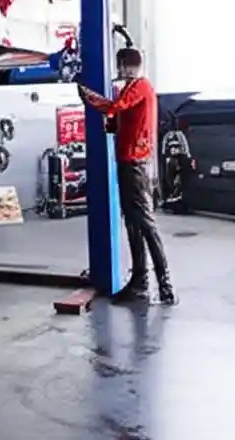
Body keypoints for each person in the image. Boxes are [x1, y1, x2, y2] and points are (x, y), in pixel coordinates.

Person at [78, 47, 177, 305]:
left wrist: (89, 98)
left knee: (144, 222)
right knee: (133, 222)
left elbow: (115, 106)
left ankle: (164, 284)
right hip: (128, 162)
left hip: (135, 163)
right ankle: (140, 282)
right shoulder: (133, 88)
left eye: (120, 65)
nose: (118, 71)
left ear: (126, 66)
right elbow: (119, 119)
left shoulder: (140, 86)